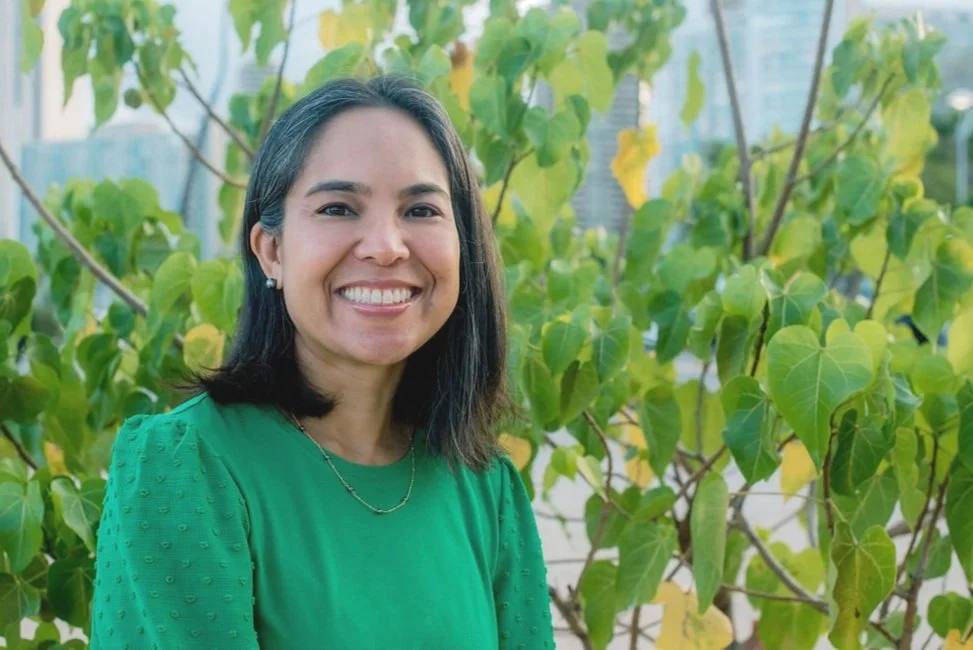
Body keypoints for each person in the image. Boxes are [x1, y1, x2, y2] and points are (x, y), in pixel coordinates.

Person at [90, 75, 555, 649]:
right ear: (272, 251)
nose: (386, 246)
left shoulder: (486, 486)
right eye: (338, 208)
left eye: (421, 210)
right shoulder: (186, 467)